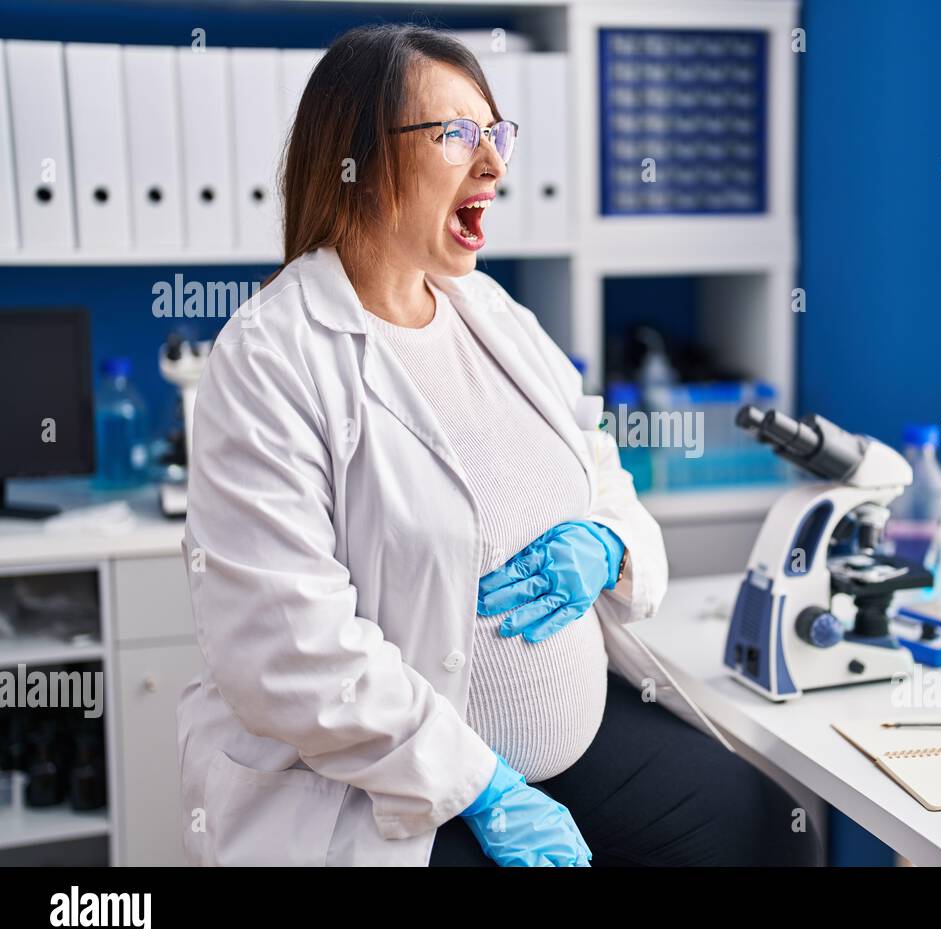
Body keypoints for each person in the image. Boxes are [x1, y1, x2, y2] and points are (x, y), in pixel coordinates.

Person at [175, 23, 823, 867]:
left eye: (496, 133)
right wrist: (482, 787)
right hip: (387, 785)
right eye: (456, 135)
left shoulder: (496, 317)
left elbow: (603, 476)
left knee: (768, 829)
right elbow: (286, 643)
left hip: (577, 746)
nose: (494, 164)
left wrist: (609, 543)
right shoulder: (271, 357)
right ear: (361, 159)